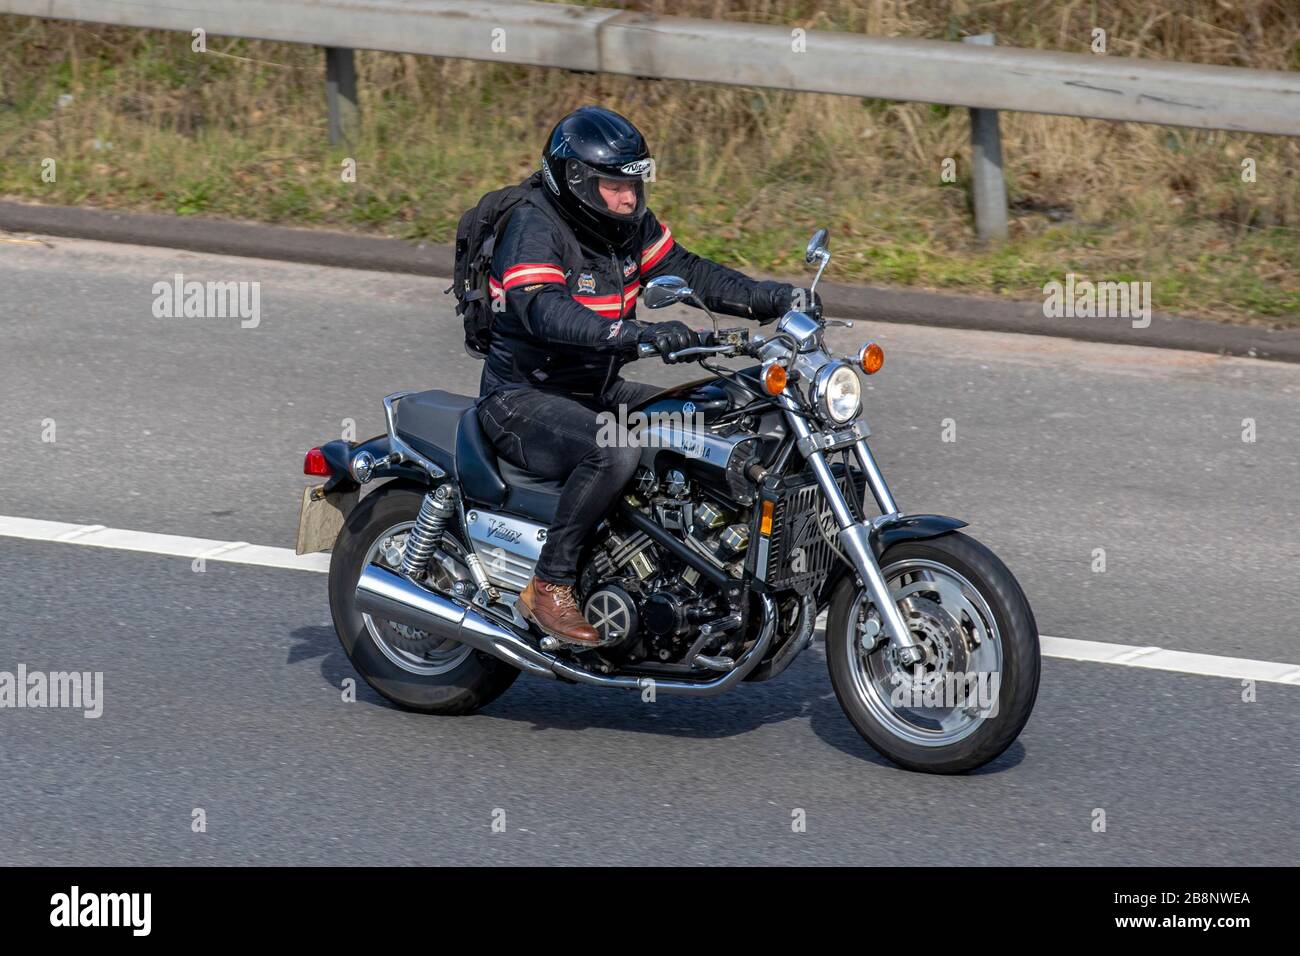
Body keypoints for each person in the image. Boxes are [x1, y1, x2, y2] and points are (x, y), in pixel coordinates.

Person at [477, 105, 815, 645]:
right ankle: (549, 583)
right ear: (576, 180)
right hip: (525, 395)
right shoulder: (534, 226)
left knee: (709, 419)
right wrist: (631, 334)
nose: (629, 198)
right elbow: (543, 308)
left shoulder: (626, 229)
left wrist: (772, 298)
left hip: (600, 387)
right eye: (614, 185)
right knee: (613, 449)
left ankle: (702, 573)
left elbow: (692, 271)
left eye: (634, 183)